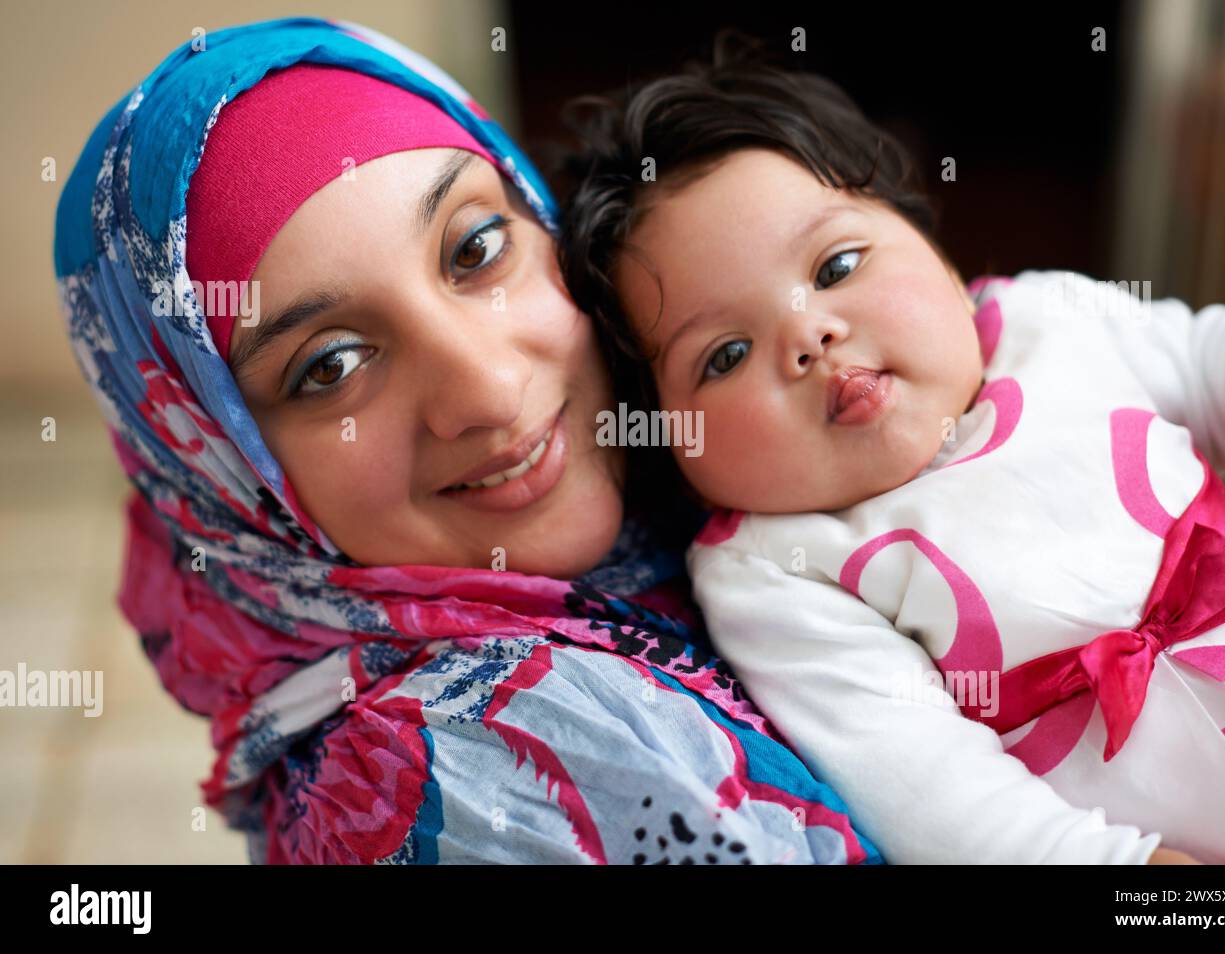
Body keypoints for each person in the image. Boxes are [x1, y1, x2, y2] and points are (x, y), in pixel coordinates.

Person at [52, 17, 876, 864]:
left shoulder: (715, 476)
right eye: (331, 366)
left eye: (476, 250)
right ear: (225, 472)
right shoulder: (475, 769)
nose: (488, 391)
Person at [557, 49, 1225, 864]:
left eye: (837, 266)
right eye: (726, 355)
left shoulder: (1045, 322)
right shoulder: (777, 567)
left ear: (938, 254)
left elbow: (1209, 356)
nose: (809, 334)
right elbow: (929, 789)